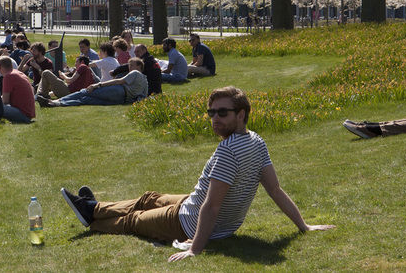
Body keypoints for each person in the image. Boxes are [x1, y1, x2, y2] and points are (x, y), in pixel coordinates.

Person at [60, 86, 334, 260]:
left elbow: (212, 207)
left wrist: (194, 248)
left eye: (222, 113)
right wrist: (304, 226)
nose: (215, 118)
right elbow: (275, 190)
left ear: (241, 114)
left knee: (134, 220)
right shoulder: (256, 141)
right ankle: (93, 207)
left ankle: (92, 220)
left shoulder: (229, 151)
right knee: (148, 197)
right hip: (196, 209)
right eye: (211, 112)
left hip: (187, 224)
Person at [42, 57, 147, 107]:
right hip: (123, 99)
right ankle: (56, 104)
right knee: (86, 100)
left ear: (139, 66)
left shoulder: (135, 73)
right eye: (129, 65)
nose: (130, 67)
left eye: (132, 65)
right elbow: (142, 96)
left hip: (119, 91)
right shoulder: (145, 80)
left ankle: (57, 101)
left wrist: (98, 85)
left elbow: (119, 81)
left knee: (85, 92)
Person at [0, 56, 36, 124]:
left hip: (22, 114)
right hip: (28, 113)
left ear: (0, 67)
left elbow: (5, 101)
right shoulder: (18, 73)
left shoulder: (8, 76)